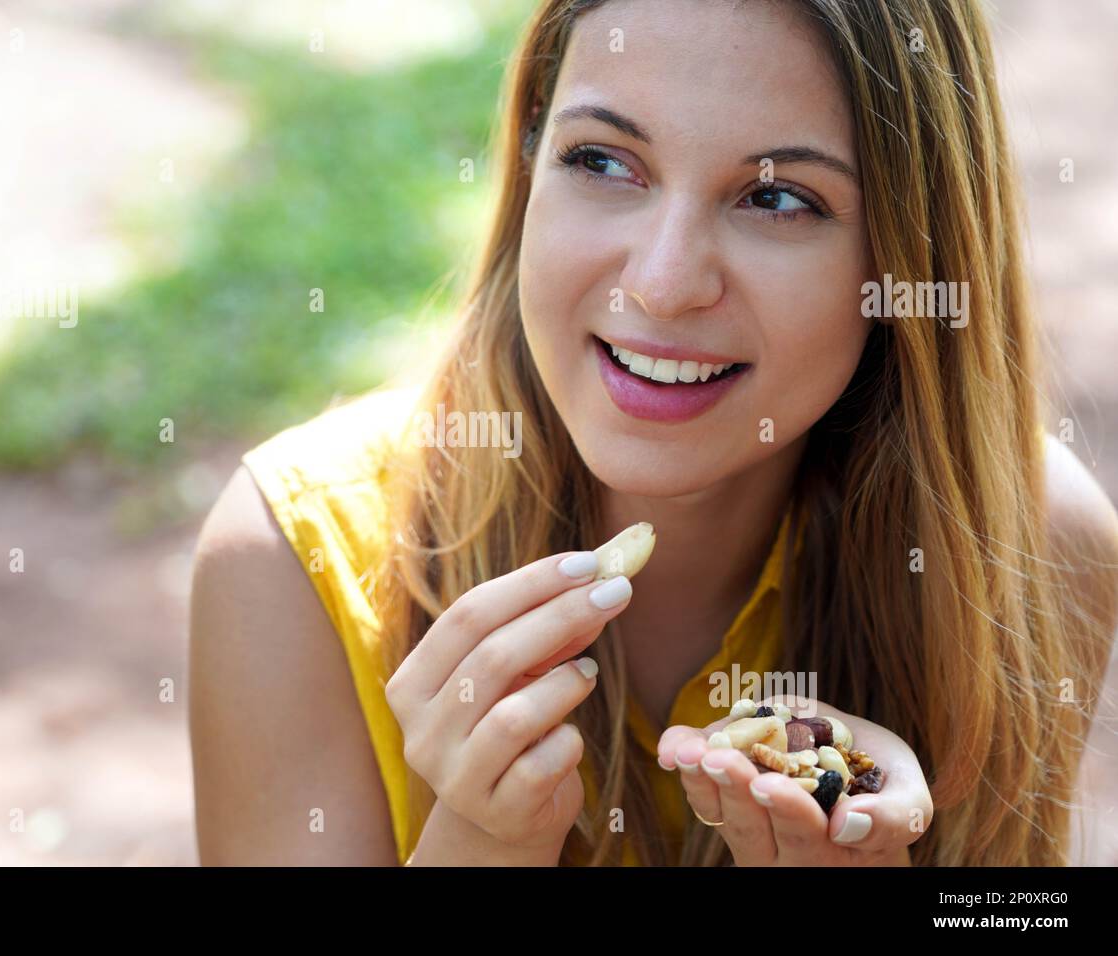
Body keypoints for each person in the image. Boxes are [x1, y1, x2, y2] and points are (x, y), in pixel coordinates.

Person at [189, 0, 1118, 866]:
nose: (665, 283)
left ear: (907, 254)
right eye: (602, 161)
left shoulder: (1034, 552)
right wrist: (481, 839)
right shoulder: (291, 560)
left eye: (778, 198)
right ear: (529, 155)